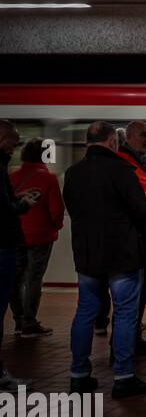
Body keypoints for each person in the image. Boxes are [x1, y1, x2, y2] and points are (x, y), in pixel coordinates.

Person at [63, 121, 146, 399]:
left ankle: (79, 375)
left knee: (85, 313)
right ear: (112, 142)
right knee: (126, 313)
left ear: (86, 143)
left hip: (88, 255)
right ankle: (124, 377)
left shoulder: (73, 172)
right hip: (122, 255)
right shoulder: (122, 170)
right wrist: (143, 238)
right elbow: (141, 213)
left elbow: (73, 208)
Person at [0, 121, 41, 393]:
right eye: (12, 142)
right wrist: (22, 204)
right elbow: (3, 209)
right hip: (2, 244)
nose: (14, 149)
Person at [9, 136, 64, 338]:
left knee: (16, 278)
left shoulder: (12, 177)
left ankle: (18, 321)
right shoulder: (49, 178)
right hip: (41, 235)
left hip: (16, 234)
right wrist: (57, 226)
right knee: (34, 278)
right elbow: (56, 210)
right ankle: (29, 323)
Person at [118, 120, 146, 356]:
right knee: (129, 294)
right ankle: (122, 346)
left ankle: (134, 338)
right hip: (132, 238)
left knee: (144, 291)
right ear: (129, 137)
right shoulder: (121, 164)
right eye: (143, 134)